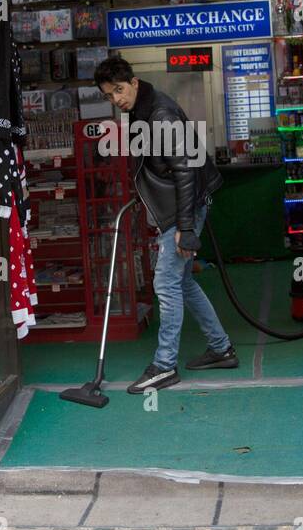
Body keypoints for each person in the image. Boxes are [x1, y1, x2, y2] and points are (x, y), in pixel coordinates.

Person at [94, 55, 236, 393]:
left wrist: (185, 229)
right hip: (176, 209)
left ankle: (164, 365)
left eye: (119, 90)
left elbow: (185, 170)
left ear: (133, 83)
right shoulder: (141, 110)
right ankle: (221, 348)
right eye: (109, 95)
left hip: (182, 211)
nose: (116, 99)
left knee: (166, 285)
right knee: (183, 283)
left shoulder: (160, 113)